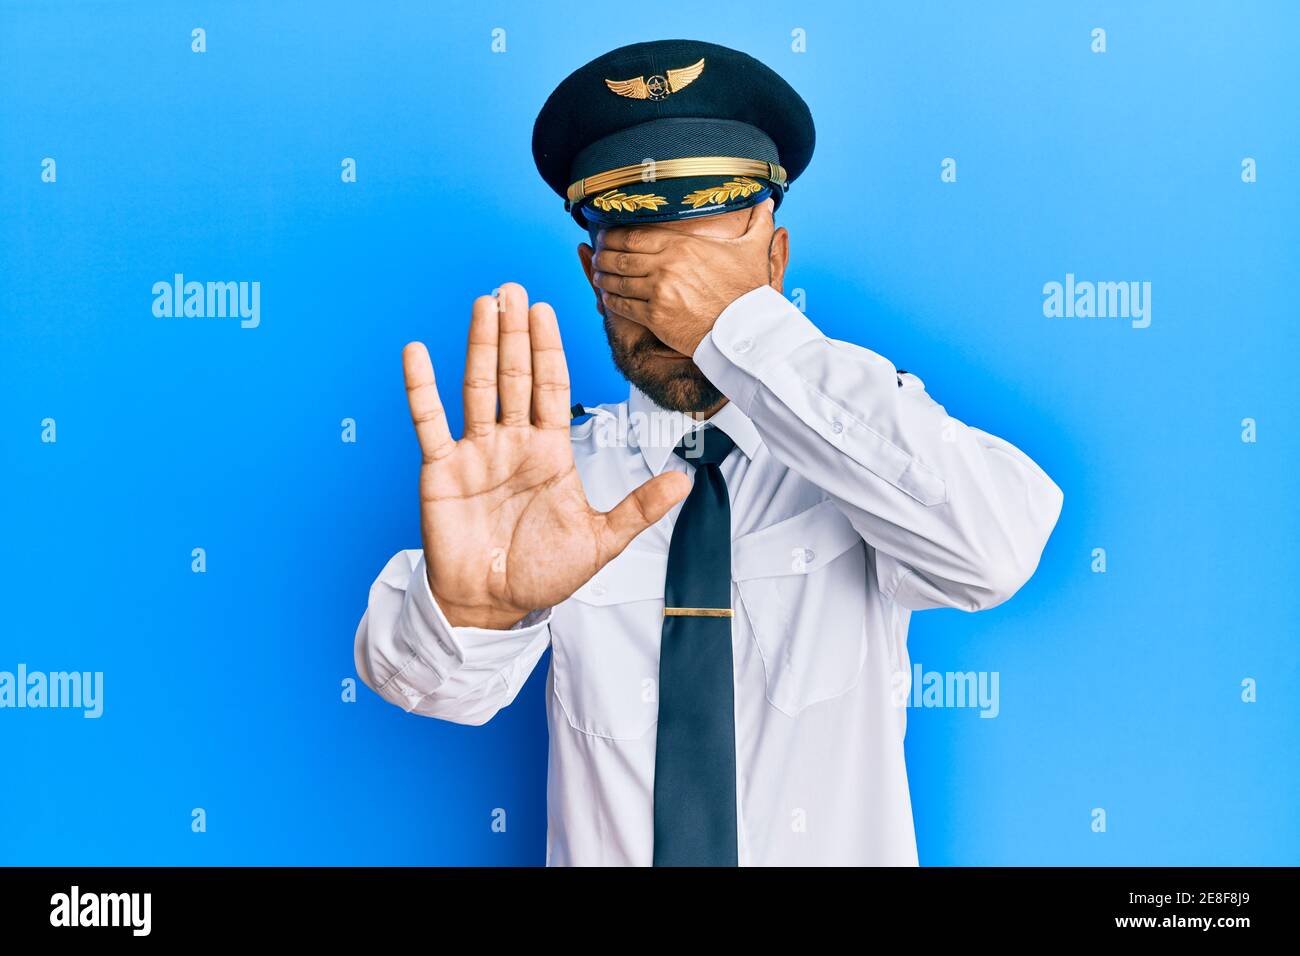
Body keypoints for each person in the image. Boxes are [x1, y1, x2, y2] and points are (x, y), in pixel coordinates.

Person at [355, 39, 1063, 866]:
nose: (671, 305)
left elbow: (997, 552)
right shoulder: (550, 479)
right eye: (639, 271)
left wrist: (742, 334)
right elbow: (432, 687)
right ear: (592, 273)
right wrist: (478, 608)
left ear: (777, 259)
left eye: (698, 272)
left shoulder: (870, 453)